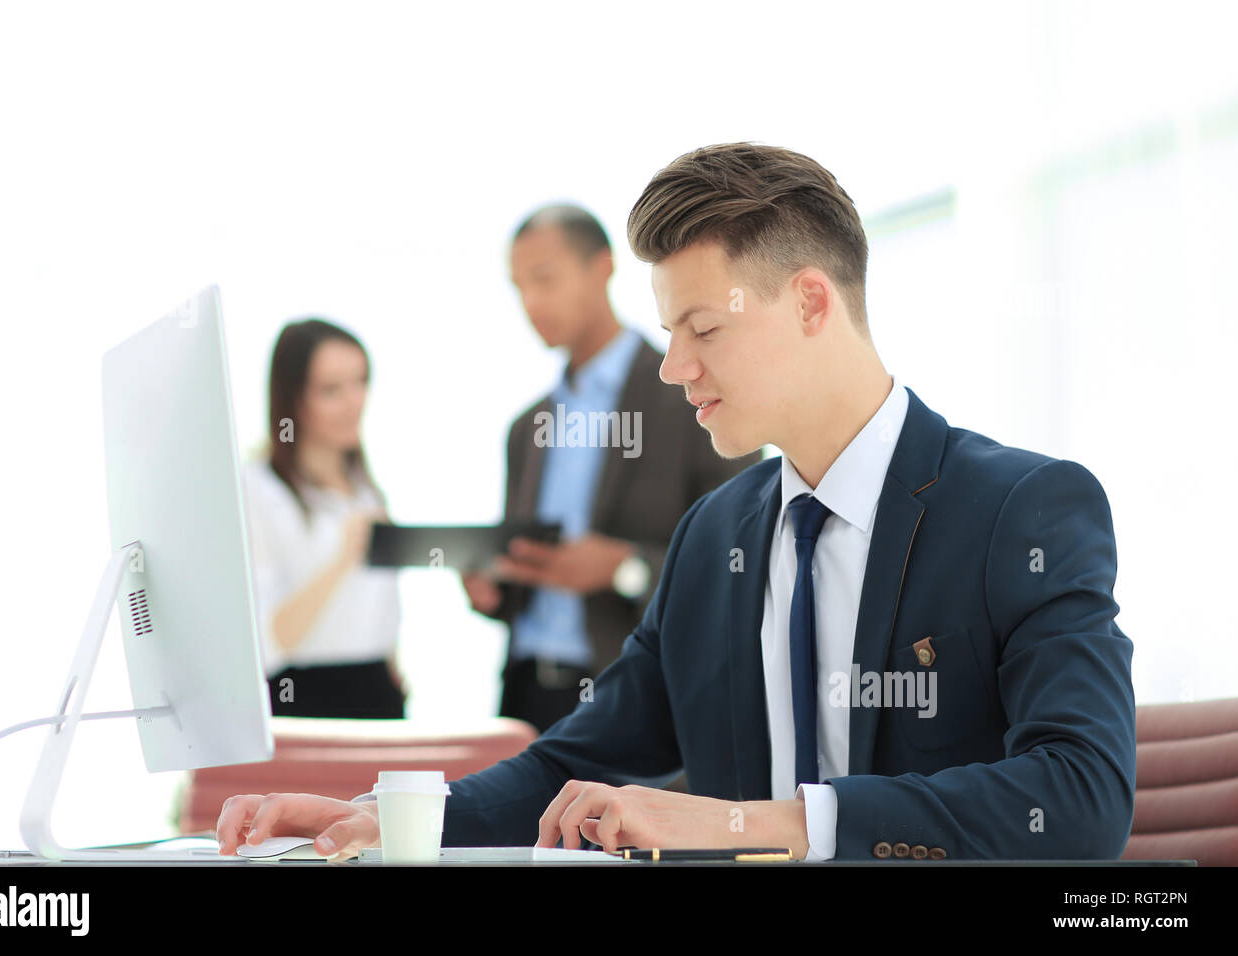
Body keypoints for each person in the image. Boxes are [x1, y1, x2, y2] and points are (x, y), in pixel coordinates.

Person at [218, 143, 1135, 861]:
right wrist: (382, 818)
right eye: (668, 331)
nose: (673, 367)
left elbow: (1081, 797)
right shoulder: (717, 537)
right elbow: (574, 759)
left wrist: (753, 825)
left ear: (812, 302)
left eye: (704, 329)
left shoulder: (1023, 510)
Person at [461, 205, 756, 733]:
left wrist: (625, 568)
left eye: (545, 279)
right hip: (525, 698)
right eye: (518, 286)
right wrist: (493, 583)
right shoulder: (527, 427)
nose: (531, 302)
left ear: (602, 268)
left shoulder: (695, 397)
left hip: (633, 697)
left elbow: (742, 557)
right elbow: (520, 582)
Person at [242, 318, 405, 719]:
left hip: (379, 693)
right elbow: (272, 637)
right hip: (304, 698)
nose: (355, 402)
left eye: (361, 381)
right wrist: (342, 558)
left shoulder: (366, 488)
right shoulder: (259, 488)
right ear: (292, 398)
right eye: (331, 390)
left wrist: (392, 669)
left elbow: (376, 606)